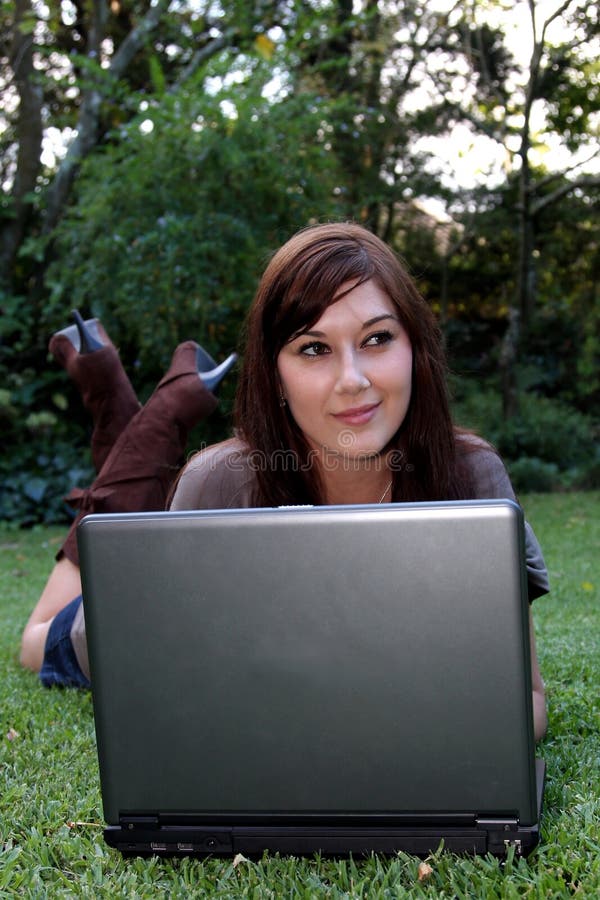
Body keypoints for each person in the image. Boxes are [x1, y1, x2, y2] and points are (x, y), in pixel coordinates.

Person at [20, 223, 549, 740]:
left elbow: (527, 700)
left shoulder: (471, 476)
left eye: (377, 338)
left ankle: (131, 423)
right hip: (128, 622)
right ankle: (137, 423)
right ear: (275, 374)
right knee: (34, 640)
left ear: (417, 349)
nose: (353, 380)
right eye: (314, 348)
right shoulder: (218, 484)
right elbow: (173, 692)